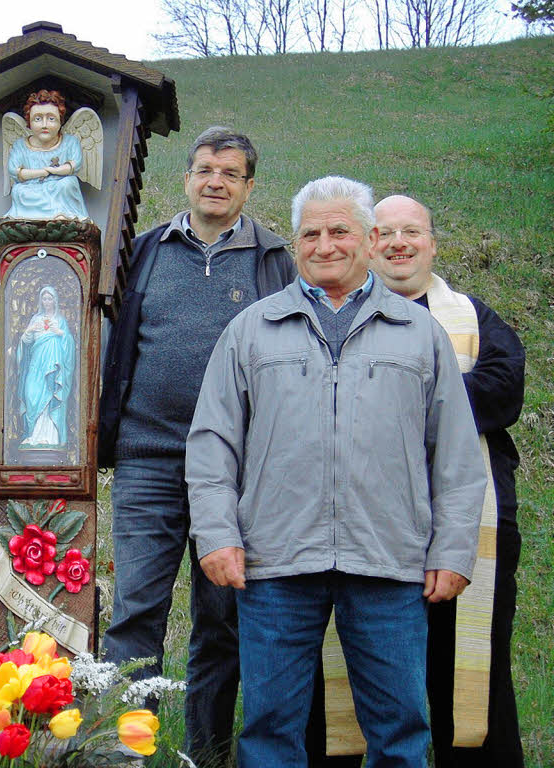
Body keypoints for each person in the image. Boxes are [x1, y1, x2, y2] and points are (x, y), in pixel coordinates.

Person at [187, 176, 487, 768]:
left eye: (339, 231)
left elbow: (454, 454)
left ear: (370, 239)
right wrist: (217, 534)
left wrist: (452, 551)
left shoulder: (418, 332)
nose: (324, 245)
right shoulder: (250, 329)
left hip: (389, 559)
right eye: (310, 234)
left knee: (401, 730)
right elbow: (212, 443)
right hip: (274, 560)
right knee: (270, 731)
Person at [99, 126, 294, 766]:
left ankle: (205, 755)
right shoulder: (145, 251)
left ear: (249, 186)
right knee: (134, 616)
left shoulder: (274, 261)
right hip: (147, 461)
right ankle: (130, 751)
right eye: (206, 169)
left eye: (231, 174)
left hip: (239, 471)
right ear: (186, 177)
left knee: (223, 621)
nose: (216, 181)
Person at [373, 194, 524, 767]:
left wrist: (406, 401)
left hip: (471, 519)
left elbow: (505, 386)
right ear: (368, 246)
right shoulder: (340, 317)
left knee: (472, 664)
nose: (399, 244)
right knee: (375, 663)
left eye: (411, 232)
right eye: (384, 233)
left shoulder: (472, 317)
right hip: (377, 524)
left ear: (433, 244)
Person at [4, 89, 89, 220]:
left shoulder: (70, 142)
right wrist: (41, 172)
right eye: (38, 119)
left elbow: (74, 165)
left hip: (59, 186)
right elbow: (15, 172)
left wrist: (54, 170)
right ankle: (27, 218)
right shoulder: (20, 145)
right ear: (29, 123)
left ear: (60, 121)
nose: (44, 125)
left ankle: (63, 215)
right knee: (18, 190)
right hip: (31, 187)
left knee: (70, 183)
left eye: (51, 119)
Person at [17, 285, 76, 448]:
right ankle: (31, 435)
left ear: (55, 300)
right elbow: (26, 343)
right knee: (31, 394)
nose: (47, 301)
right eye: (44, 298)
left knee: (51, 395)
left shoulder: (60, 321)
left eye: (50, 298)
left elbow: (69, 347)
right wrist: (29, 330)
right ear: (41, 300)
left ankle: (49, 437)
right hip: (36, 364)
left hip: (53, 366)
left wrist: (60, 333)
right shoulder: (35, 319)